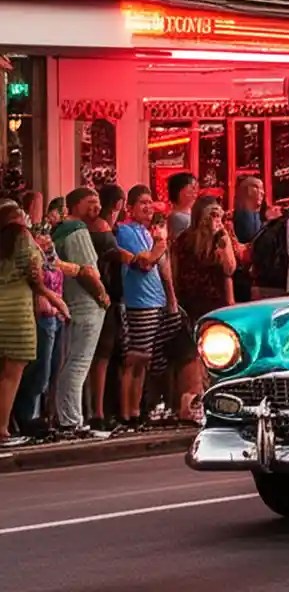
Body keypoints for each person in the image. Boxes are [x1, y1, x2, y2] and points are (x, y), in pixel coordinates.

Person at [0, 204, 69, 448]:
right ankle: (3, 430)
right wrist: (57, 300)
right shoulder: (23, 238)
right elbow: (35, 277)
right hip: (17, 309)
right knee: (12, 373)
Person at [114, 185, 180, 430]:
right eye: (142, 202)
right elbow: (143, 263)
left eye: (150, 202)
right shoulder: (127, 231)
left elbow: (159, 267)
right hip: (138, 302)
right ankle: (126, 412)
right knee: (135, 358)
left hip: (155, 300)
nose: (147, 207)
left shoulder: (145, 232)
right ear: (129, 207)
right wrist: (158, 249)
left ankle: (136, 409)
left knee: (146, 359)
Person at [51, 187, 111, 437]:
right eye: (90, 202)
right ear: (75, 206)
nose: (96, 206)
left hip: (72, 303)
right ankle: (71, 420)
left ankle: (69, 417)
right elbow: (88, 271)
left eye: (98, 201)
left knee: (72, 361)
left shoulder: (61, 231)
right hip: (85, 304)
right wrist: (102, 296)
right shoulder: (77, 230)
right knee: (79, 362)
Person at [170, 196, 236, 422]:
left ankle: (200, 401)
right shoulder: (186, 240)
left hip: (207, 300)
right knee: (199, 353)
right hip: (201, 300)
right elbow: (229, 269)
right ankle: (194, 402)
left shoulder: (215, 239)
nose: (215, 220)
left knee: (205, 353)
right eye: (212, 214)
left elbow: (228, 268)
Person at [88, 184, 125, 430]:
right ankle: (98, 412)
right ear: (119, 204)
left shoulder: (103, 227)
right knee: (101, 355)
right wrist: (141, 256)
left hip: (108, 295)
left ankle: (104, 409)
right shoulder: (101, 228)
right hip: (105, 295)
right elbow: (116, 255)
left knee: (106, 356)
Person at [165, 172, 199, 239]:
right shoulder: (177, 217)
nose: (195, 192)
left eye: (196, 188)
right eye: (192, 187)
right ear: (179, 191)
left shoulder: (192, 213)